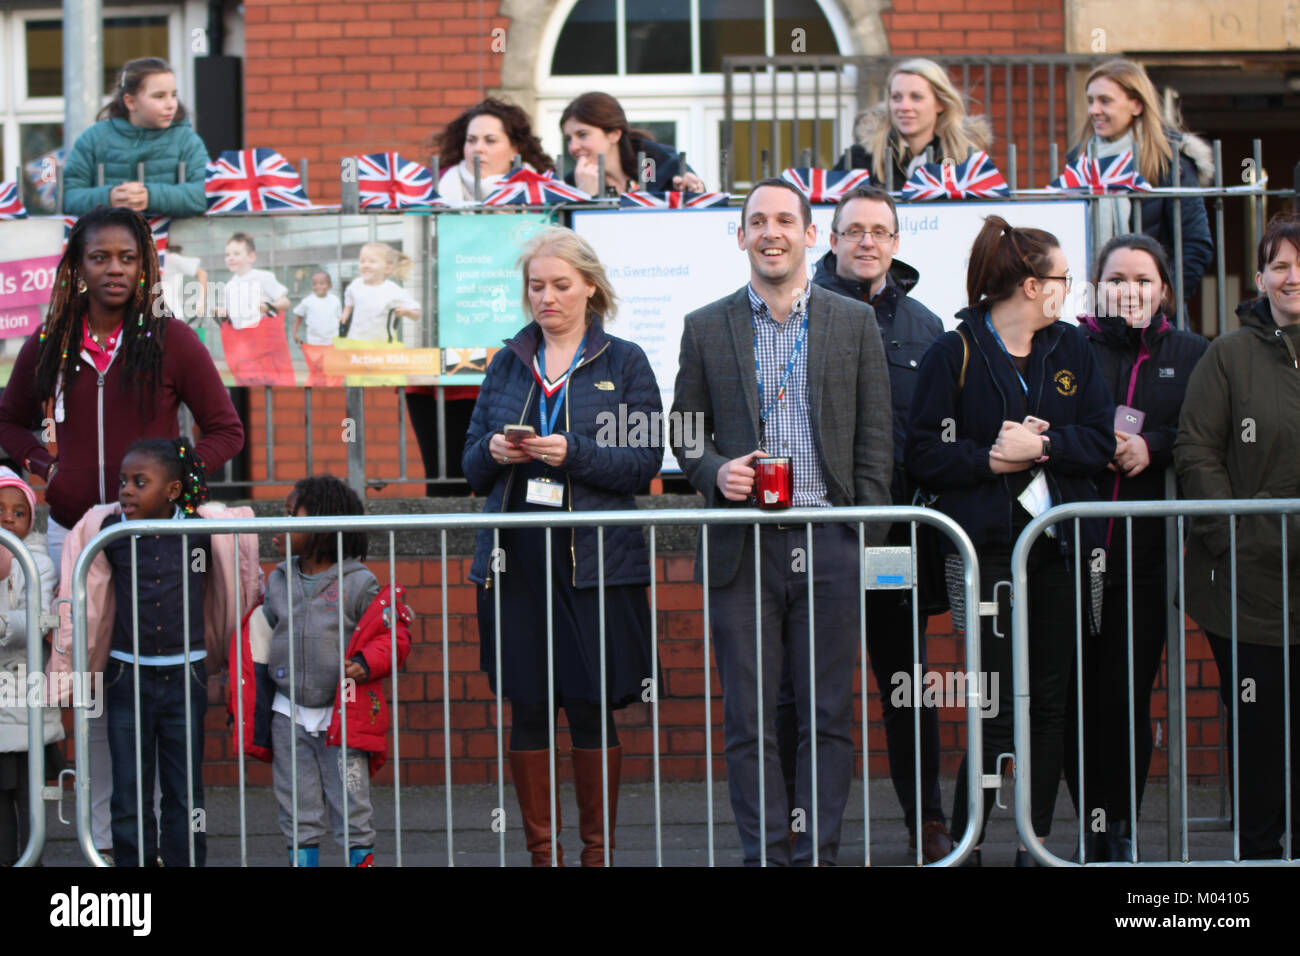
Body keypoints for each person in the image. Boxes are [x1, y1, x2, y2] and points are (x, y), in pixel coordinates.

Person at [0, 206, 244, 863]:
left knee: (145, 699)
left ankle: (165, 846)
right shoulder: (50, 342)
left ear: (146, 267)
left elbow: (226, 428)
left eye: (127, 259)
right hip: (73, 540)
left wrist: (177, 486)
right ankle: (107, 846)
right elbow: (8, 421)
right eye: (100, 258)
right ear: (76, 268)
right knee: (92, 697)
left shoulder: (171, 340)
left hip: (154, 551)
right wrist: (50, 467)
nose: (114, 270)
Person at [671, 178, 893, 866]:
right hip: (745, 545)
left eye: (784, 221)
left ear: (809, 236)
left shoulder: (852, 323)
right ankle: (765, 853)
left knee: (826, 716)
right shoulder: (706, 325)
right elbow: (684, 430)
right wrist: (713, 472)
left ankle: (815, 851)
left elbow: (877, 440)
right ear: (740, 236)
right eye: (757, 221)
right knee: (749, 719)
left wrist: (863, 539)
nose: (771, 232)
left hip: (828, 541)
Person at [905, 216, 1114, 866]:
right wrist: (988, 462)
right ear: (1031, 283)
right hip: (984, 552)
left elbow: (1103, 439)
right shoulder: (954, 350)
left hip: (1055, 548)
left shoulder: (1073, 348)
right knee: (993, 698)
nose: (1068, 290)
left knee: (1049, 697)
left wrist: (1043, 447)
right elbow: (922, 454)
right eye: (1061, 279)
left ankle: (1036, 841)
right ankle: (969, 839)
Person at [463, 225, 662, 866]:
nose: (546, 298)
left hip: (593, 559)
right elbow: (468, 467)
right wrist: (494, 451)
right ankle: (541, 856)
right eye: (536, 286)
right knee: (528, 703)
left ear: (590, 288)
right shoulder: (506, 360)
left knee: (589, 703)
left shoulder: (623, 360)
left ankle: (595, 854)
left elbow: (642, 462)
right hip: (516, 559)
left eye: (559, 285)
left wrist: (573, 452)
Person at [804, 184, 950, 861]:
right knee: (806, 692)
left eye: (879, 232)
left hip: (895, 540)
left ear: (895, 243)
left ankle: (927, 822)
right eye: (853, 230)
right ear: (831, 239)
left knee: (906, 685)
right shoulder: (794, 314)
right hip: (818, 537)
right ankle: (802, 829)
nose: (866, 242)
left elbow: (937, 432)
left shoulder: (926, 327)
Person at [1069, 234, 1208, 862]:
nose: (1129, 290)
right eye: (1116, 278)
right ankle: (1088, 823)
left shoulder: (1193, 354)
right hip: (1070, 558)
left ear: (1164, 290)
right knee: (1071, 696)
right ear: (1098, 286)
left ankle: (1118, 828)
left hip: (1144, 560)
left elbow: (1206, 431)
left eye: (1143, 280)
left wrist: (1155, 442)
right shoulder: (1070, 347)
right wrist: (1098, 442)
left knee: (1124, 698)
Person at [1175, 212, 1300, 860]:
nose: (1292, 276)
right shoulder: (1228, 354)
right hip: (1248, 588)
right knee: (1260, 730)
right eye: (1280, 264)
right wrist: (1232, 535)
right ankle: (1259, 854)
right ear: (1259, 277)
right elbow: (1196, 449)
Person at [256, 476, 403, 868]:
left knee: (352, 806)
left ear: (324, 524)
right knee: (297, 808)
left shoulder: (360, 582)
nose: (280, 524)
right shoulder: (278, 578)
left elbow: (390, 636)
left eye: (291, 516)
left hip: (343, 717)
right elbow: (262, 634)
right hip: (288, 715)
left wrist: (368, 663)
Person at [98, 438, 212, 866]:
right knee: (129, 788)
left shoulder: (199, 533)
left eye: (139, 482)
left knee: (185, 791)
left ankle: (186, 860)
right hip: (128, 675)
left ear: (172, 491)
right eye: (123, 481)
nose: (126, 490)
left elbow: (212, 582)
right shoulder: (112, 535)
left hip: (186, 674)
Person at [1068, 59, 1214, 301]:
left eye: (1105, 100)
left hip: (1152, 312)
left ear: (1136, 105)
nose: (1094, 110)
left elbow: (1195, 243)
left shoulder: (1170, 163)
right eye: (1090, 101)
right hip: (1091, 309)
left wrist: (1166, 301)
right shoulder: (1079, 162)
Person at [0, 467, 59, 867]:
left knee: (29, 790)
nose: (8, 519)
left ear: (31, 519)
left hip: (26, 698)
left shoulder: (38, 564)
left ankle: (31, 859)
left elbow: (34, 620)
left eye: (18, 512)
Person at [62, 58, 209, 218]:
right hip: (109, 240)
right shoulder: (94, 138)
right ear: (130, 102)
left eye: (173, 95)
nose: (171, 104)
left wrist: (150, 196)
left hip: (170, 241)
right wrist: (109, 197)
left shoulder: (187, 140)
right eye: (159, 96)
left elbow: (205, 193)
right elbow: (68, 197)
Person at [835, 58, 992, 191]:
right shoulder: (859, 158)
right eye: (896, 97)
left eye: (916, 97)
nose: (904, 107)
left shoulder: (965, 160)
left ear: (940, 104)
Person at [560, 92, 705, 196]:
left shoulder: (658, 165)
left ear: (614, 134)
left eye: (583, 135)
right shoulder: (568, 186)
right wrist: (584, 198)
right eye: (569, 139)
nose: (573, 147)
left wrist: (695, 190)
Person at [431, 97, 555, 202]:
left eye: (490, 140)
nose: (478, 148)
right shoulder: (433, 185)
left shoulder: (544, 192)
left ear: (515, 150)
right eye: (471, 140)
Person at [214, 231, 295, 386]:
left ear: (251, 257)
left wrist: (268, 307)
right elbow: (234, 316)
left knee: (274, 382)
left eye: (237, 254)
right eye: (227, 254)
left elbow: (285, 302)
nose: (230, 258)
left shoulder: (263, 278)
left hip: (265, 346)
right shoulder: (229, 286)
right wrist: (223, 312)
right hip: (244, 350)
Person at [337, 241, 421, 387]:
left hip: (381, 347)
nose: (366, 265)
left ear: (387, 268)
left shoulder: (393, 291)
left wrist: (406, 312)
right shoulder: (355, 285)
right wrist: (345, 313)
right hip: (356, 345)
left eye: (372, 261)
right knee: (355, 384)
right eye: (362, 261)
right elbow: (349, 299)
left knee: (383, 383)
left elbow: (416, 314)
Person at [292, 270, 343, 387]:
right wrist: (295, 333)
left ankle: (331, 390)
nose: (318, 286)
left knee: (331, 371)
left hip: (331, 342)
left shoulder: (335, 300)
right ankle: (315, 390)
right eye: (315, 284)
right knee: (317, 370)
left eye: (322, 283)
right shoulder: (307, 302)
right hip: (314, 344)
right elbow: (299, 316)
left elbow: (339, 319)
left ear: (329, 285)